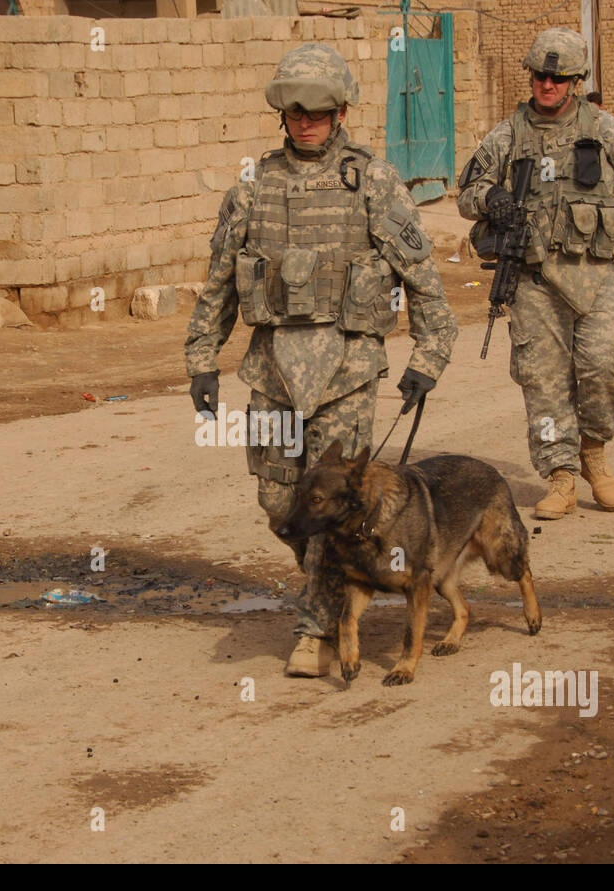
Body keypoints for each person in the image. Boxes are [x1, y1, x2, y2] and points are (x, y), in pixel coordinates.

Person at [185, 43, 458, 676]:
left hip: (348, 373)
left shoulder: (374, 182)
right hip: (272, 374)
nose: (306, 122)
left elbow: (421, 275)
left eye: (319, 111)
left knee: (335, 508)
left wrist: (430, 354)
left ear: (339, 112)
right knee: (284, 509)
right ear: (282, 113)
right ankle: (331, 591)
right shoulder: (253, 187)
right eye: (295, 111)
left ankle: (317, 630)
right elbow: (220, 280)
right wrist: (201, 358)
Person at [458, 27, 614, 519]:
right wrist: (491, 197)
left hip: (594, 276)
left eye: (558, 78)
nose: (548, 85)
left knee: (604, 367)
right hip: (535, 281)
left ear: (576, 81)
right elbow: (467, 192)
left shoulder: (605, 131)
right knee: (543, 380)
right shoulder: (508, 133)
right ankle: (560, 475)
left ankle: (593, 452)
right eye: (540, 76)